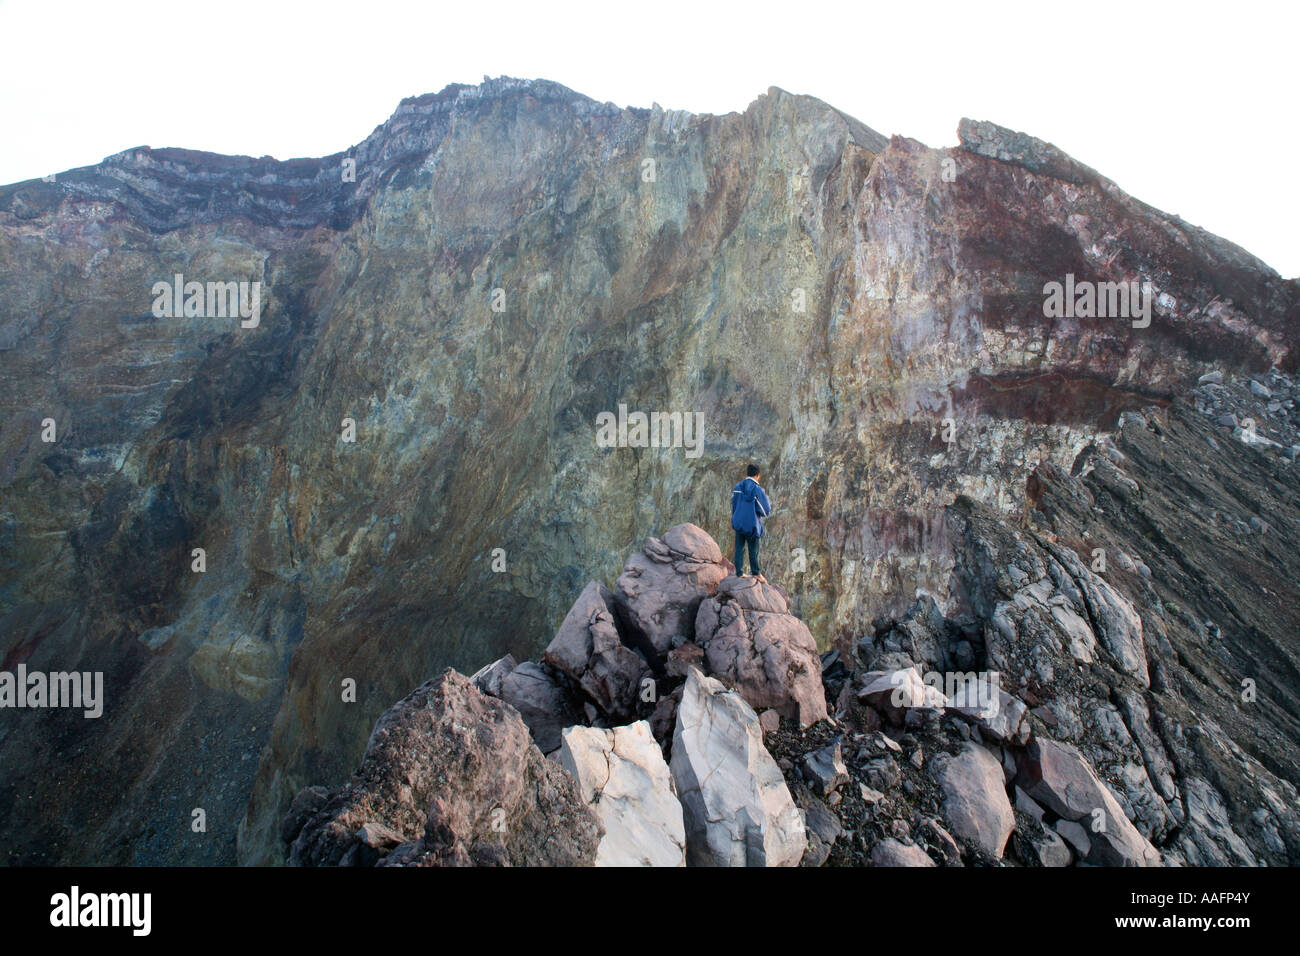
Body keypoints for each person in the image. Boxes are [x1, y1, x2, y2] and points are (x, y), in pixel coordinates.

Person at [730, 463, 772, 582]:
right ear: (758, 475)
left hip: (739, 523)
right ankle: (756, 573)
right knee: (754, 550)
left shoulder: (738, 487)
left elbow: (734, 504)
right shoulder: (757, 490)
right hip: (752, 525)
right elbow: (765, 510)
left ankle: (739, 572)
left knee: (739, 548)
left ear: (747, 473)